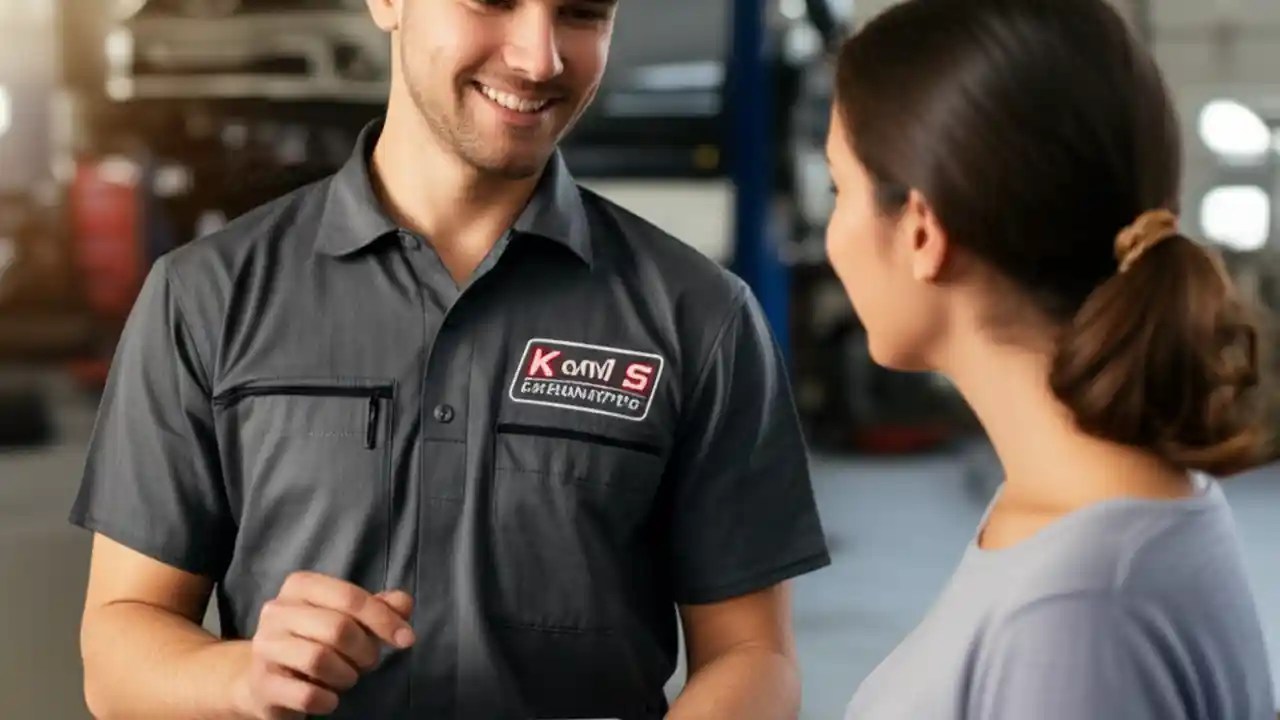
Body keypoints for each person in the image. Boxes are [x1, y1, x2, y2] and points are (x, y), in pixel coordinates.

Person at [69, 1, 831, 718]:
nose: (539, 58)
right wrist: (242, 676)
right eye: (492, 1)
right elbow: (116, 649)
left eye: (582, 12)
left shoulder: (698, 316)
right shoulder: (206, 297)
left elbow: (754, 654)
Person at [822, 0, 1276, 718]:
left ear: (920, 232)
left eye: (837, 189)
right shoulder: (1077, 515)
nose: (832, 232)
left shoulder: (1080, 609)